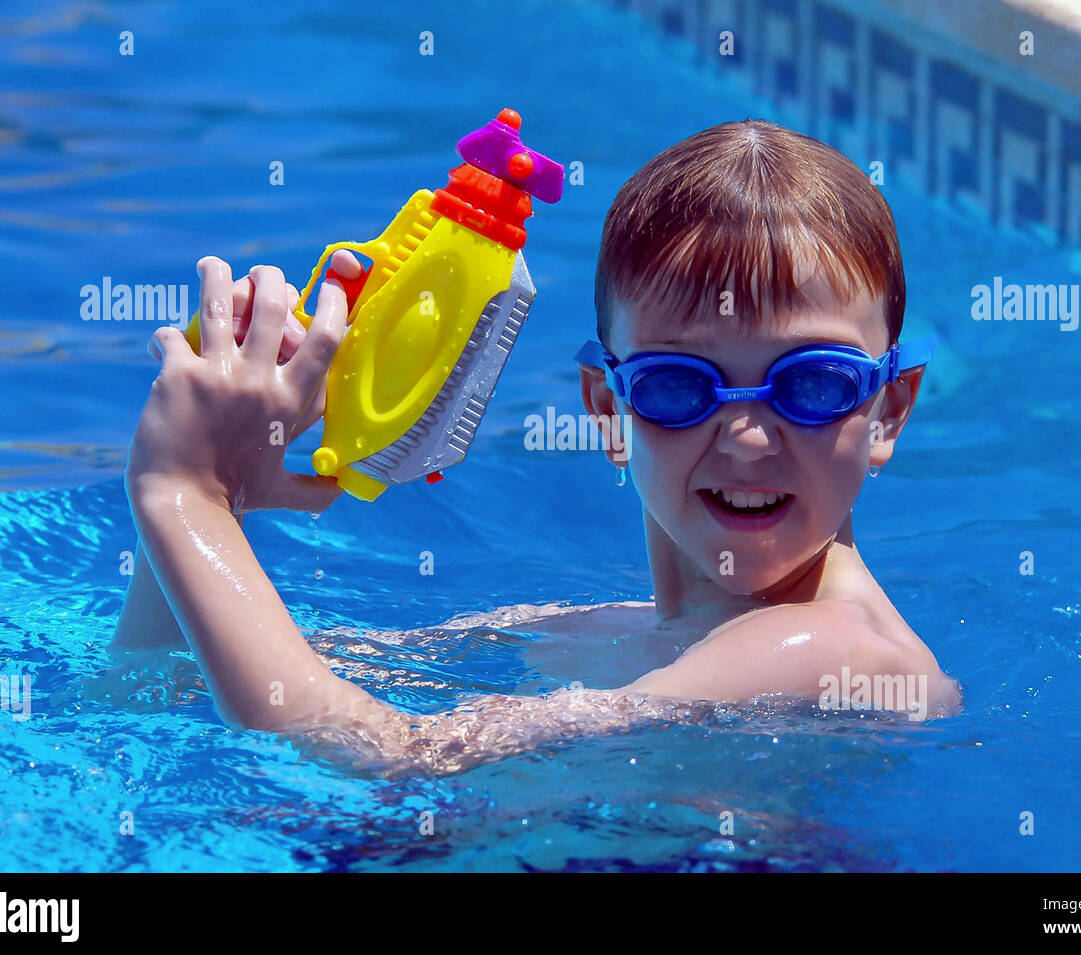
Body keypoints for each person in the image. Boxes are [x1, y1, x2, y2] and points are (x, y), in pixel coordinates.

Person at [112, 120, 961, 775]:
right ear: (608, 410)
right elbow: (163, 686)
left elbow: (401, 761)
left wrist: (178, 493)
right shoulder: (594, 635)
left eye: (812, 384)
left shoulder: (831, 648)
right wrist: (210, 500)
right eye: (680, 386)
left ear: (886, 411)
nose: (746, 435)